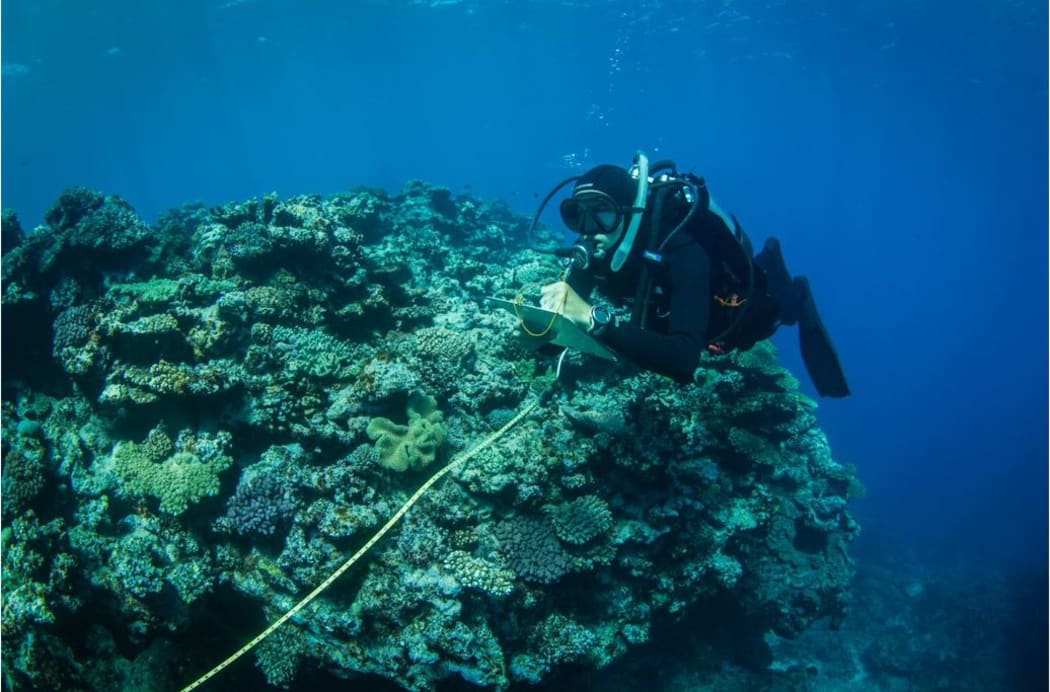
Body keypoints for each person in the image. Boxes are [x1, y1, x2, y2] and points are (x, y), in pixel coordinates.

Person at [534, 153, 850, 397]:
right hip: (664, 306)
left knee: (763, 317)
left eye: (601, 213)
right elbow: (563, 321)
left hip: (722, 306)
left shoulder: (683, 250)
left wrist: (593, 317)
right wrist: (539, 330)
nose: (588, 229)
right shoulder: (597, 241)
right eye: (577, 215)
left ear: (629, 213)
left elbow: (683, 361)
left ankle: (792, 290)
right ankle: (768, 260)